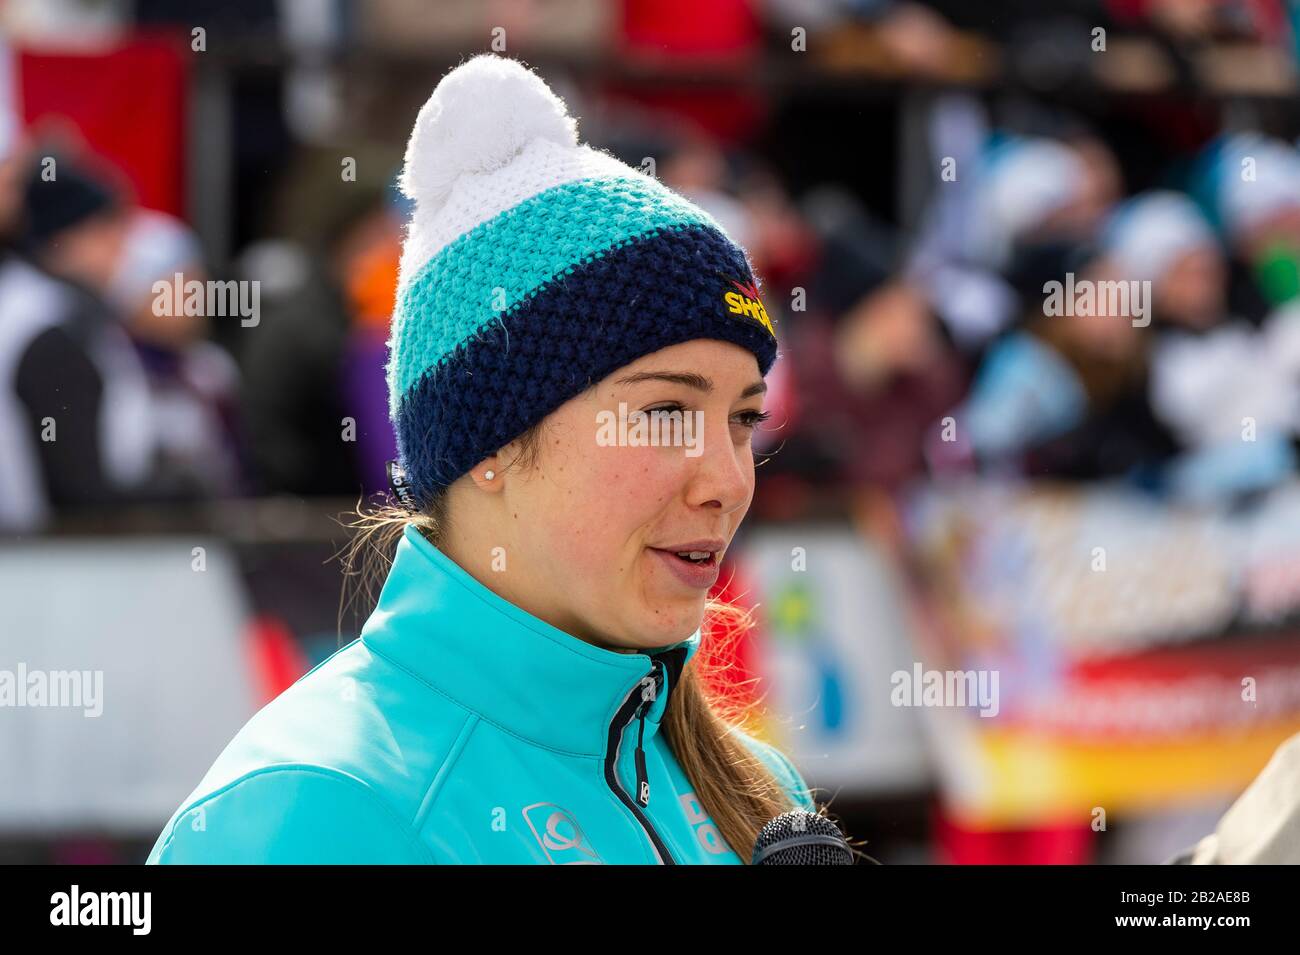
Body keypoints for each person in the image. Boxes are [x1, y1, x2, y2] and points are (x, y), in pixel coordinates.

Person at [147, 55, 838, 865]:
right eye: (664, 412)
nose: (726, 481)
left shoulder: (761, 793)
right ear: (492, 443)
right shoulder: (314, 809)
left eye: (743, 419)